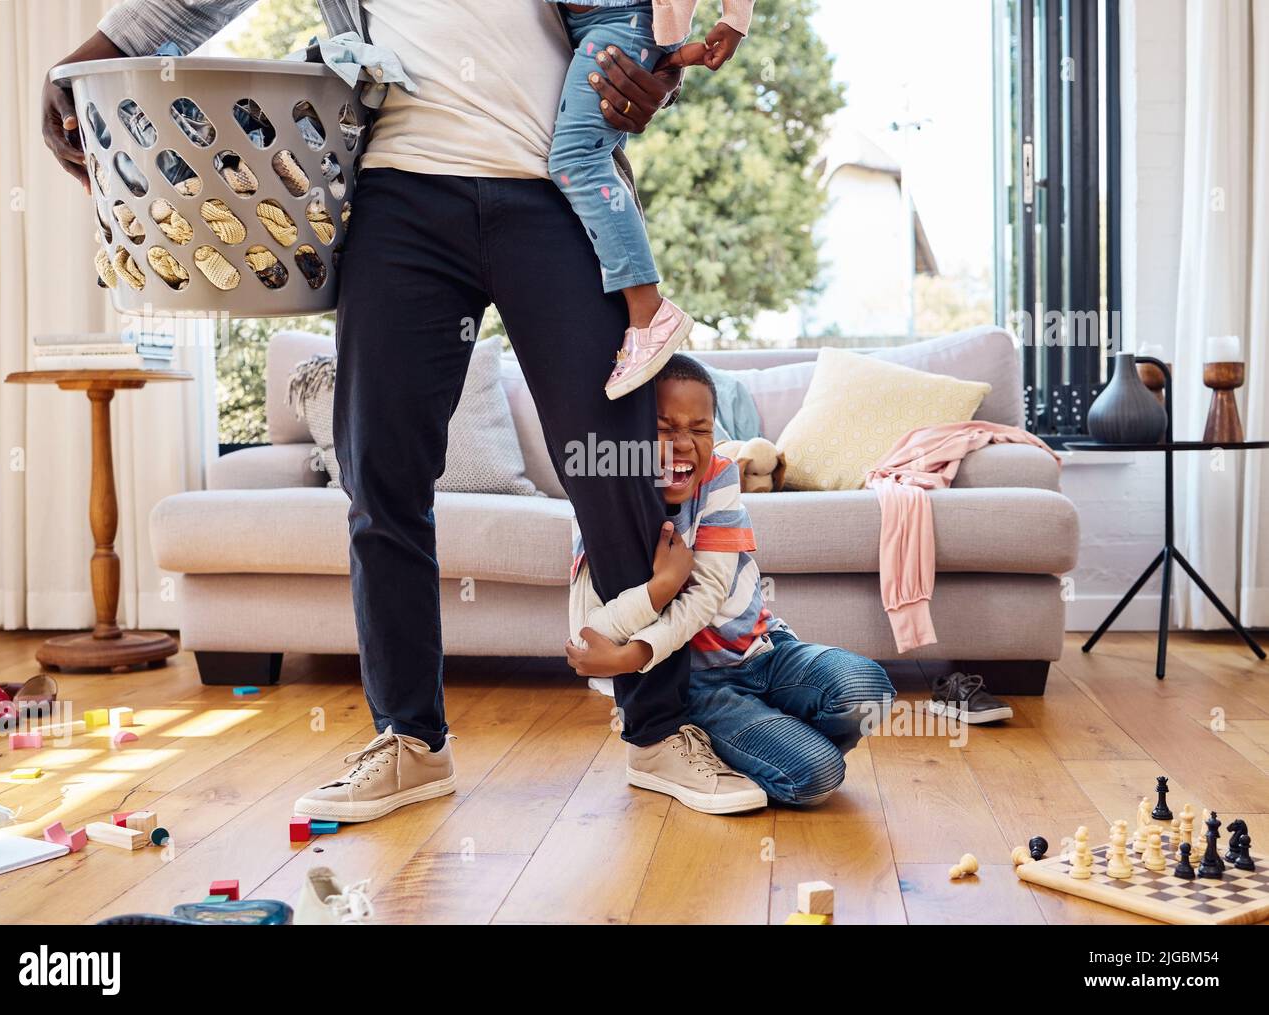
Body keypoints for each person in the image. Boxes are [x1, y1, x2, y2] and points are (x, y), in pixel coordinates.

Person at [43, 0, 765, 820]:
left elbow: (622, 19)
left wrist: (659, 73)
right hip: (399, 197)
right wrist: (89, 55)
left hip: (553, 192)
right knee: (380, 475)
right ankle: (410, 741)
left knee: (616, 463)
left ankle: (661, 729)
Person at [567, 355, 897, 805]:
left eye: (700, 429)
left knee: (867, 690)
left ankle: (766, 731)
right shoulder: (605, 499)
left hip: (765, 651)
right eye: (665, 428)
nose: (684, 443)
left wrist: (634, 654)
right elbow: (590, 633)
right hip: (701, 686)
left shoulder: (719, 474)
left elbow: (708, 595)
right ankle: (744, 735)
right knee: (817, 776)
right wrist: (660, 587)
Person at [546, 1, 752, 399]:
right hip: (583, 23)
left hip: (619, 17)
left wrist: (735, 18)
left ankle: (648, 312)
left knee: (576, 159)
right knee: (588, 151)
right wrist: (669, 57)